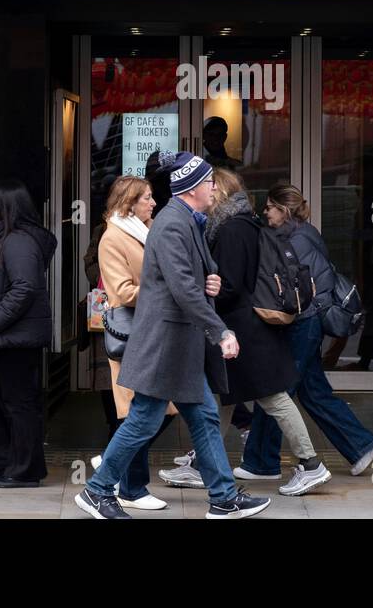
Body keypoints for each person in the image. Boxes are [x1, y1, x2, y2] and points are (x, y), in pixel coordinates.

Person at [75, 152, 270, 519]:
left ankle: (224, 497)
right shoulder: (172, 224)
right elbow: (180, 288)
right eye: (210, 182)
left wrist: (210, 281)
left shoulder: (184, 220)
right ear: (194, 187)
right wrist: (220, 330)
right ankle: (98, 489)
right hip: (166, 342)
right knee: (144, 420)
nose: (215, 188)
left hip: (178, 343)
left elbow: (187, 276)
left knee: (205, 417)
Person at [239, 184, 373, 480]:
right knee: (313, 391)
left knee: (275, 389)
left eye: (270, 207)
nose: (265, 212)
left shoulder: (296, 239)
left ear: (284, 210)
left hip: (304, 323)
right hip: (309, 322)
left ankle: (261, 462)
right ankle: (361, 445)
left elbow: (296, 285)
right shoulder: (304, 232)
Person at [207, 169, 331, 496]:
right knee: (223, 396)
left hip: (243, 327)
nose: (204, 193)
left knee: (273, 397)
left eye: (209, 187)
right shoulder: (246, 222)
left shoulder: (232, 229)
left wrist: (208, 297)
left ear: (219, 192)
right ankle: (203, 463)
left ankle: (311, 464)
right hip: (249, 325)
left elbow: (231, 284)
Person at [92, 175, 179, 509]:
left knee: (158, 409)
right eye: (147, 198)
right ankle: (132, 488)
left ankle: (115, 463)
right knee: (137, 413)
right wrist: (167, 290)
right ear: (129, 202)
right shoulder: (113, 238)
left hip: (154, 331)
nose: (153, 203)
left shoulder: (146, 230)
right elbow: (122, 291)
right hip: (134, 334)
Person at [0, 179, 55, 488]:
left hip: (12, 339)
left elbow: (25, 287)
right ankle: (0, 459)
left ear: (7, 206)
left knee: (20, 403)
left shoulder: (19, 242)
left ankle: (25, 469)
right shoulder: (1, 240)